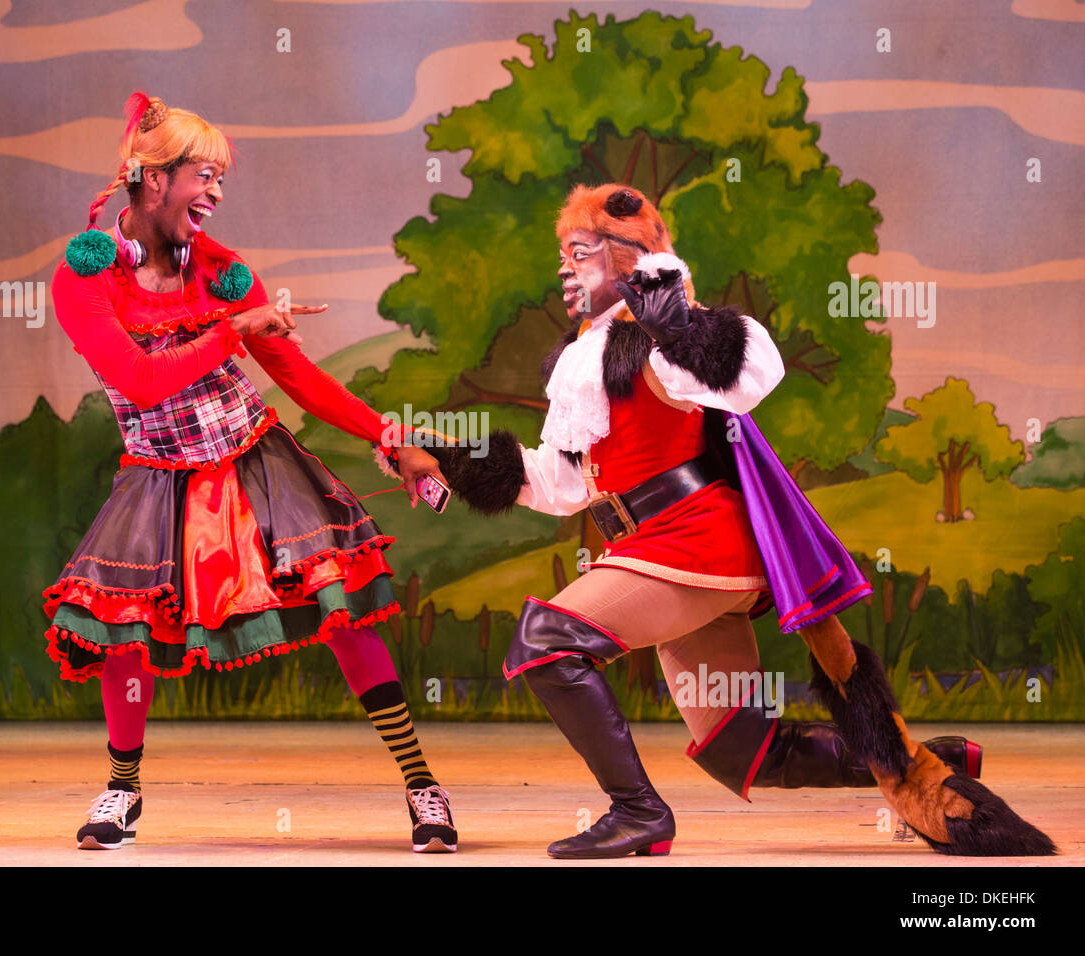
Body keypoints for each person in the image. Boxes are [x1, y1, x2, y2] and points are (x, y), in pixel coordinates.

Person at [432, 182, 1054, 859]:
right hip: (665, 555)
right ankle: (929, 758)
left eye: (578, 252)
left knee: (544, 640)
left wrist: (682, 325)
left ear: (627, 257)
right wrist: (445, 460)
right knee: (742, 751)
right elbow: (560, 484)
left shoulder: (659, 339)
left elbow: (750, 370)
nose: (563, 267)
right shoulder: (588, 356)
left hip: (697, 544)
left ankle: (638, 812)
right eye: (563, 253)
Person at [43, 92, 456, 853]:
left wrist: (389, 439)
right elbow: (140, 381)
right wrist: (234, 331)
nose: (217, 195)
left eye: (221, 179)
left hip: (256, 460)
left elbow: (297, 376)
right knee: (122, 631)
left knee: (343, 607)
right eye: (204, 176)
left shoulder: (225, 273)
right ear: (153, 179)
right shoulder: (86, 278)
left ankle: (423, 787)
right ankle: (122, 790)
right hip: (158, 473)